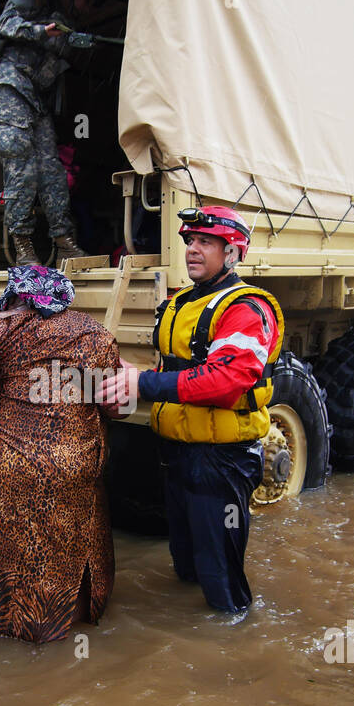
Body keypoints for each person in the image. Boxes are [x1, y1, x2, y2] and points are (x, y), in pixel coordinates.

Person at [97, 206, 283, 616]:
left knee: (221, 581)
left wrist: (142, 384)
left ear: (232, 252)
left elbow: (226, 380)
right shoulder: (182, 302)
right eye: (189, 242)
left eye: (205, 242)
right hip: (177, 454)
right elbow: (177, 368)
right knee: (185, 564)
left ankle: (230, 649)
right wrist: (134, 377)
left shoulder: (246, 309)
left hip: (221, 461)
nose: (192, 250)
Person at [0, 265, 118, 642]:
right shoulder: (93, 335)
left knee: (0, 556)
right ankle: (66, 627)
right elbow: (107, 403)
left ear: (13, 293)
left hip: (2, 469)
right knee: (66, 552)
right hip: (71, 464)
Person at [0, 0, 106, 267]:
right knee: (22, 170)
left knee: (53, 171)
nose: (87, 8)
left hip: (36, 100)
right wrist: (39, 31)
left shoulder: (69, 24)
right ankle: (23, 248)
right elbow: (5, 23)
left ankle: (65, 243)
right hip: (8, 90)